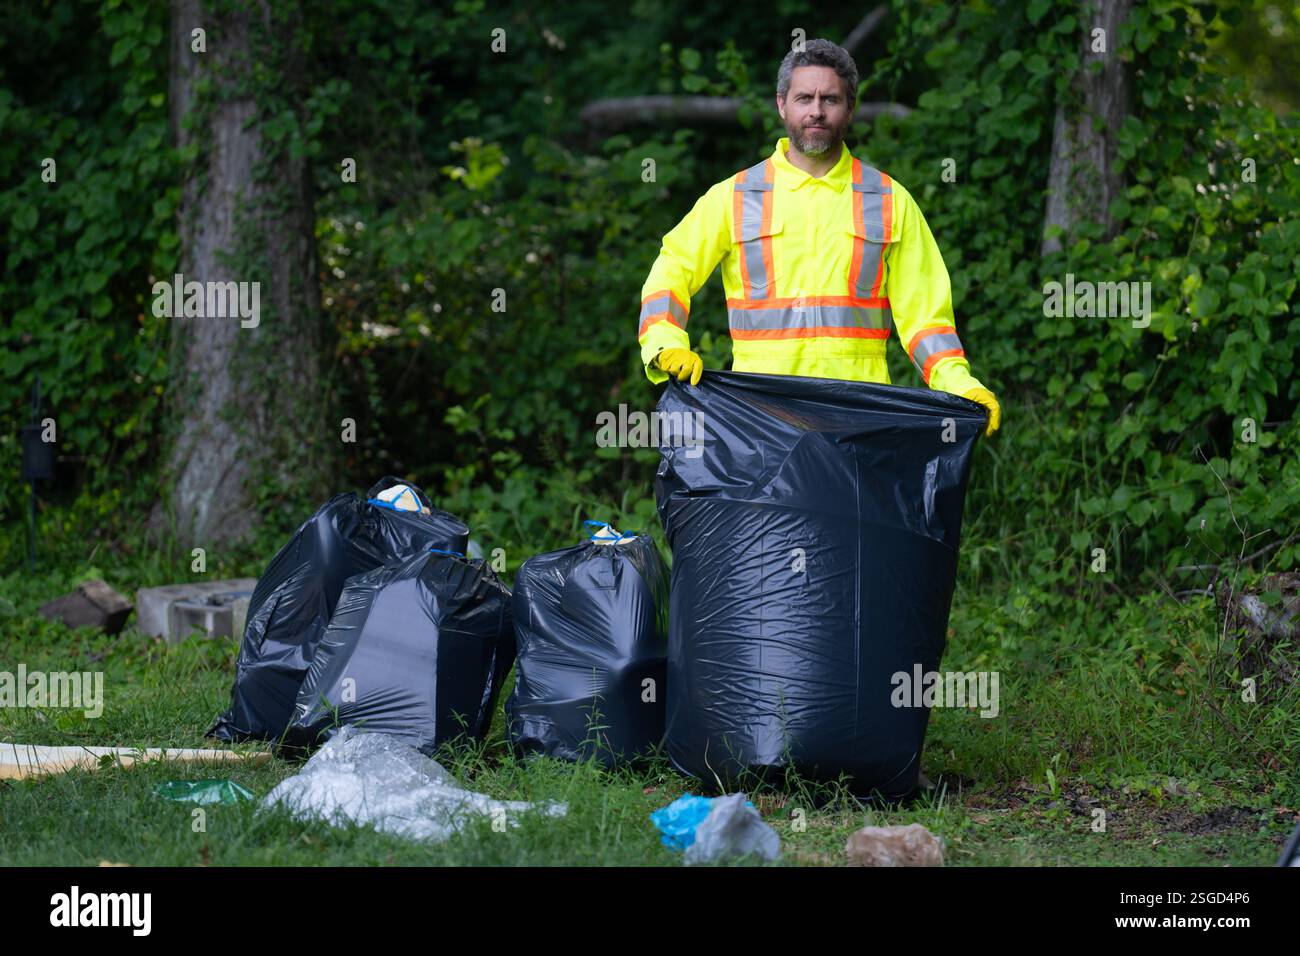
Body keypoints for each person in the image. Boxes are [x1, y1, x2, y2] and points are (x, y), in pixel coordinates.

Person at [636, 38, 1001, 436]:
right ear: (781, 104)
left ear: (850, 108)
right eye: (804, 98)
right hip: (762, 420)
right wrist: (664, 342)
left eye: (830, 99)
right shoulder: (736, 197)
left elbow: (927, 320)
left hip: (858, 418)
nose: (816, 111)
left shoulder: (888, 200)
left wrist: (960, 385)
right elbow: (673, 268)